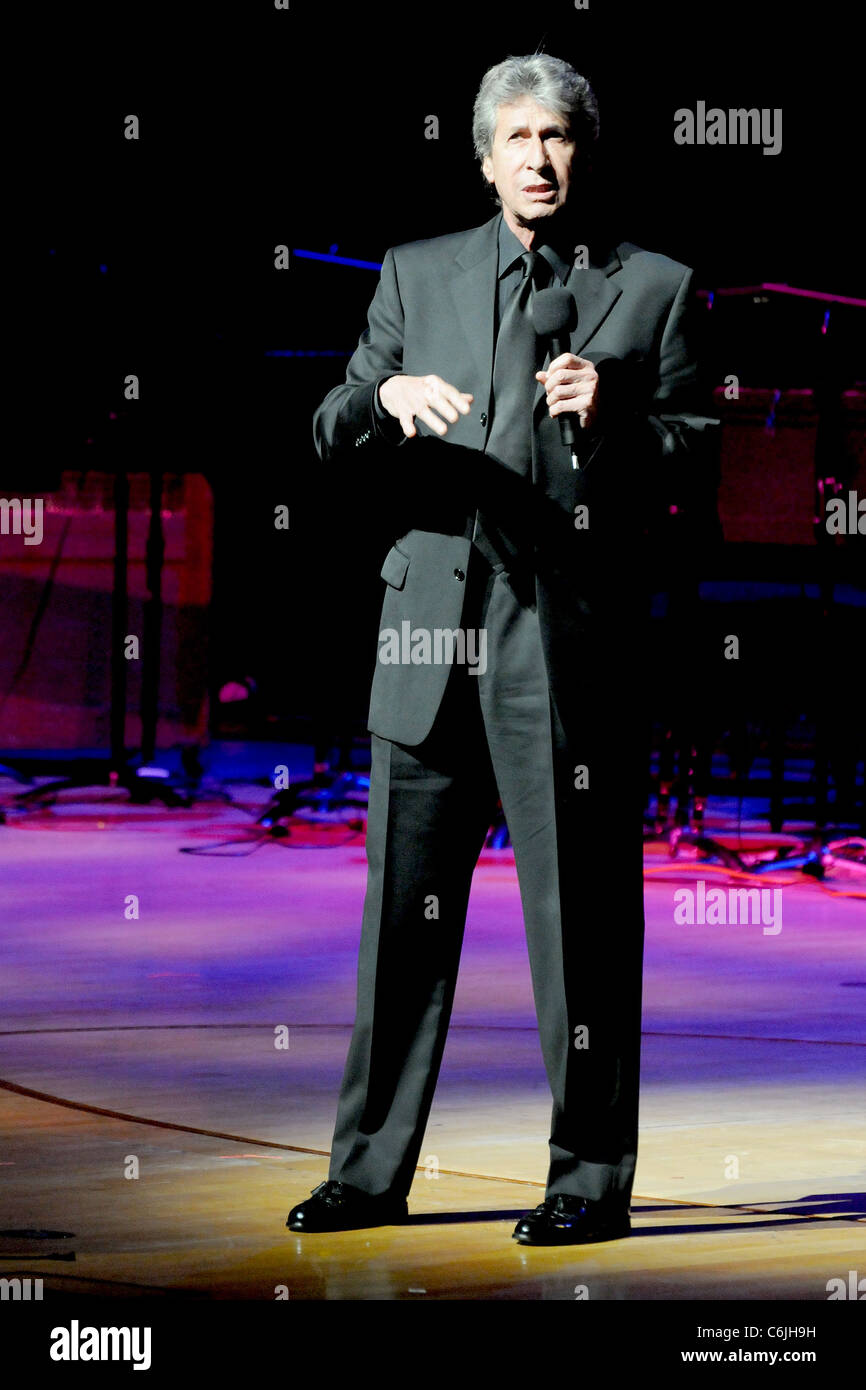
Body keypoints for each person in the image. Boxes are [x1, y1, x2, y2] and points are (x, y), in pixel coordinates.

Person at [288, 52, 719, 1245]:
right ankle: (365, 1176)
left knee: (579, 925)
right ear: (482, 157)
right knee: (401, 925)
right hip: (428, 630)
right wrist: (383, 404)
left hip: (564, 639)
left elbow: (700, 458)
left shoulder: (654, 287)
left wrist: (621, 419)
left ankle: (586, 1183)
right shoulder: (413, 273)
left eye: (558, 136)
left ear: (584, 152)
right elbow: (329, 425)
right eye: (516, 137)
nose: (537, 157)